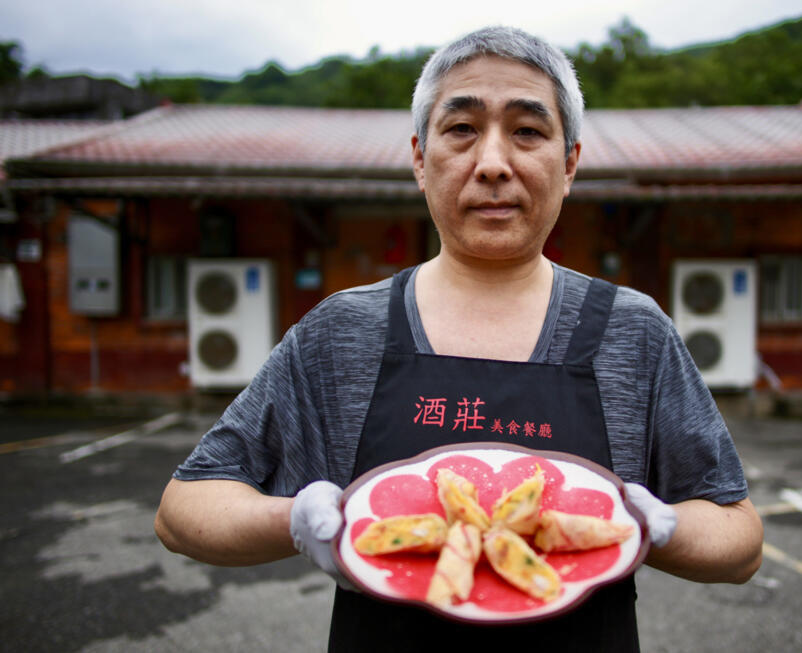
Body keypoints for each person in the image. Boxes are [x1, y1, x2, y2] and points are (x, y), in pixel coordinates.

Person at [155, 26, 763, 651]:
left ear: (570, 162)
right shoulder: (341, 333)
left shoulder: (634, 333)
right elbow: (184, 509)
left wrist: (656, 526)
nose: (493, 163)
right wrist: (295, 520)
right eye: (462, 130)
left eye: (528, 131)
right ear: (421, 158)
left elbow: (738, 539)